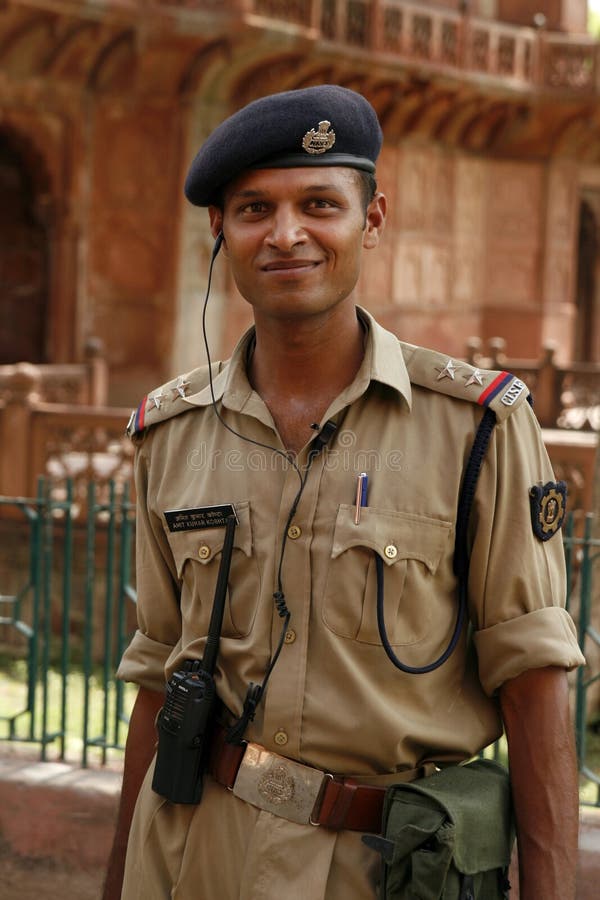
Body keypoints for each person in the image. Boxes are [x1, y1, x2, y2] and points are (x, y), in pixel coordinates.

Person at [103, 85, 585, 900]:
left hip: (384, 868)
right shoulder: (171, 434)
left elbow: (534, 684)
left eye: (320, 204)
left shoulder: (475, 430)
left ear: (373, 220)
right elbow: (159, 678)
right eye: (254, 208)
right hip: (193, 854)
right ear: (219, 229)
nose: (287, 234)